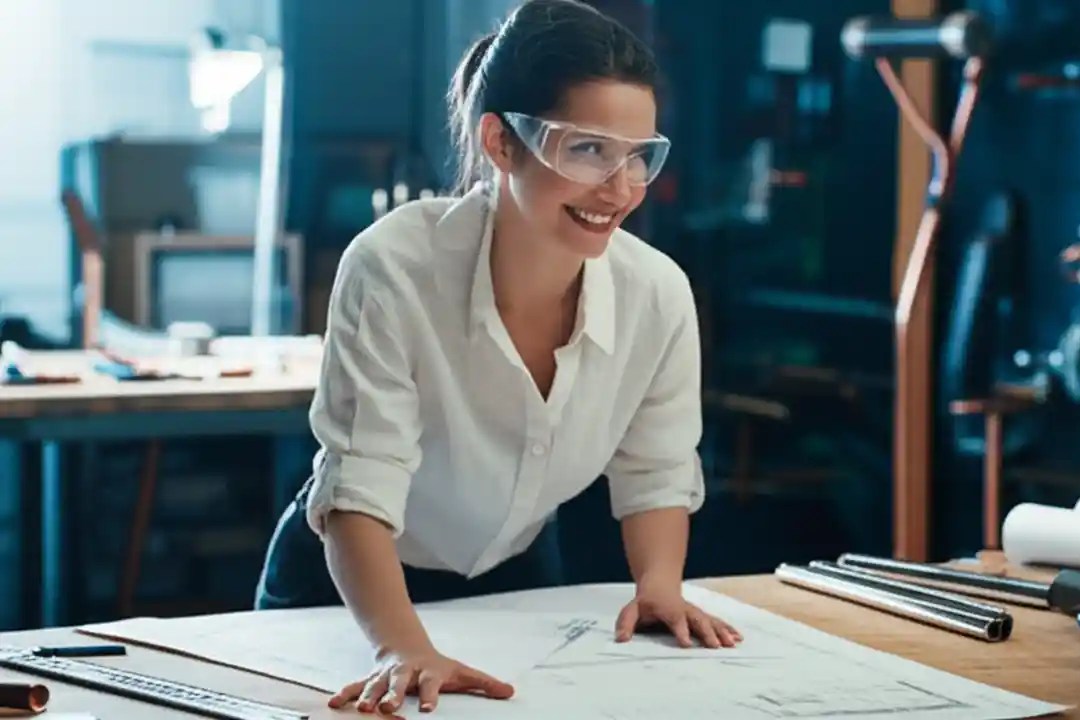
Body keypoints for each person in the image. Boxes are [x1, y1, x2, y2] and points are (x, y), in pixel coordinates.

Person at [253, 0, 742, 715]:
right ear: (501, 143)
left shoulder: (657, 293)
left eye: (638, 155)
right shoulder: (394, 265)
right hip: (346, 589)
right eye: (587, 150)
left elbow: (657, 468)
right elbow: (361, 483)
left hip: (512, 579)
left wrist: (660, 585)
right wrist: (398, 646)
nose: (621, 187)